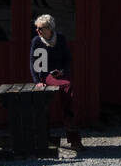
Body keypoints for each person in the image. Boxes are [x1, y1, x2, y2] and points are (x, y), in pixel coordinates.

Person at [30, 14, 82, 149]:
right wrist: (37, 81)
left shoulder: (60, 39)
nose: (38, 31)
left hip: (59, 74)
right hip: (46, 76)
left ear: (49, 28)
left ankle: (71, 124)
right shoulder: (37, 41)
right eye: (37, 28)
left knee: (68, 93)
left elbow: (67, 59)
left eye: (41, 28)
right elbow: (34, 64)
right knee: (68, 86)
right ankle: (73, 136)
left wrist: (62, 71)